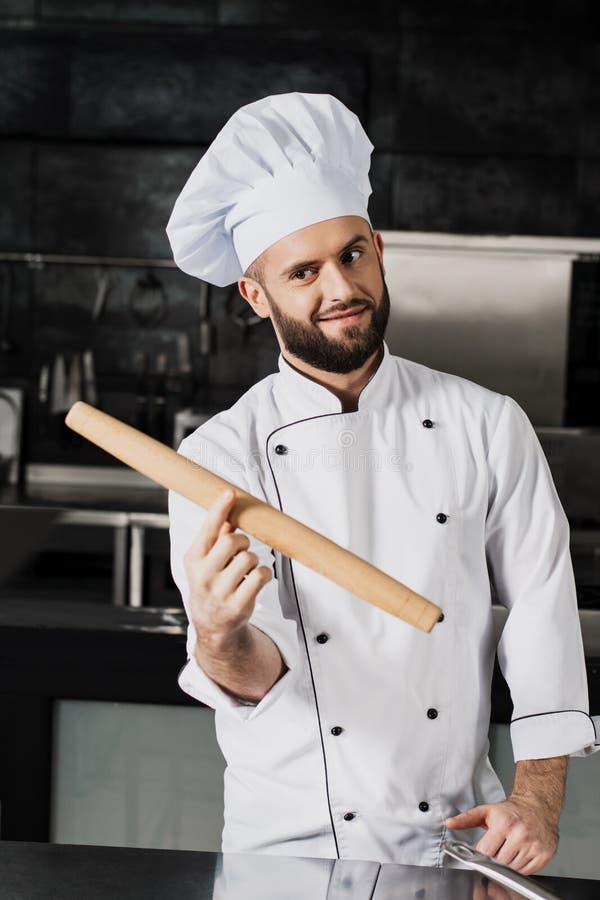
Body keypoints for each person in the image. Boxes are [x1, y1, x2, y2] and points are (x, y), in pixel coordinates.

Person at [166, 93, 599, 873]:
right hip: (284, 853)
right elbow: (258, 678)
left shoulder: (485, 424)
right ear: (256, 296)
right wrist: (218, 636)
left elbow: (542, 614)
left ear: (380, 247)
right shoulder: (218, 458)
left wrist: (537, 796)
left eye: (352, 253)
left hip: (456, 839)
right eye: (303, 271)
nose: (340, 287)